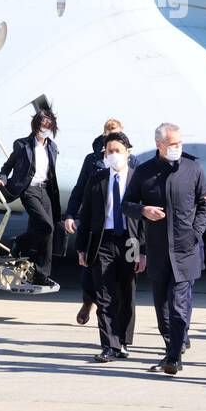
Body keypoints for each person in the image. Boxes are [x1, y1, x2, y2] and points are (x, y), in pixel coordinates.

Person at [122, 122, 206, 375]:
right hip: (158, 251)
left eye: (180, 143)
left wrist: (195, 233)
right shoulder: (144, 172)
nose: (178, 148)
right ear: (160, 145)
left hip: (185, 250)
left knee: (179, 306)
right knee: (163, 310)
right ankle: (172, 347)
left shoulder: (193, 169)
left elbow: (205, 205)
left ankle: (174, 358)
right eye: (173, 144)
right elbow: (127, 205)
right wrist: (143, 211)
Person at [75, 132, 146, 362]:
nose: (113, 155)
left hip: (130, 240)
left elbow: (143, 220)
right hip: (102, 241)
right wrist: (81, 247)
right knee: (104, 295)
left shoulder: (138, 179)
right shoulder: (97, 180)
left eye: (118, 151)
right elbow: (85, 215)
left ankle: (123, 341)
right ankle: (109, 345)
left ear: (128, 153)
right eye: (109, 151)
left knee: (126, 293)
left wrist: (142, 251)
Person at [64, 118, 124, 327]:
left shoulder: (131, 161)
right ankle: (88, 302)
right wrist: (70, 214)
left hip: (119, 226)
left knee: (116, 276)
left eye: (117, 136)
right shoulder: (92, 160)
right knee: (89, 270)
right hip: (94, 225)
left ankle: (108, 312)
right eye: (109, 137)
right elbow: (79, 190)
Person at [0, 108, 60, 285]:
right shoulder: (22, 145)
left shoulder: (52, 147)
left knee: (49, 232)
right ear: (36, 127)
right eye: (42, 126)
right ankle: (21, 243)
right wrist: (2, 179)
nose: (45, 130)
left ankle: (41, 275)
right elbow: (7, 166)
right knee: (46, 226)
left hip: (45, 190)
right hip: (28, 190)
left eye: (48, 126)